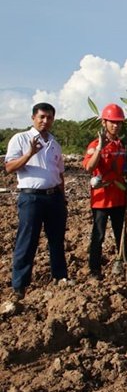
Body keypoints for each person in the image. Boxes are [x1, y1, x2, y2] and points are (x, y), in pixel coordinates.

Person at [5, 103, 68, 298]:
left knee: (57, 240)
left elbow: (60, 173)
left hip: (54, 197)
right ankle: (19, 286)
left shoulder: (54, 143)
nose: (45, 121)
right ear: (33, 117)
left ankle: (60, 277)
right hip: (31, 197)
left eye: (49, 117)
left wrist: (62, 198)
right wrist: (29, 154)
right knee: (27, 240)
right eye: (41, 117)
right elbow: (9, 167)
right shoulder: (21, 139)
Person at [83, 103, 127, 279]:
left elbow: (126, 168)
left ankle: (124, 264)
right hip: (101, 199)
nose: (116, 126)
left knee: (121, 234)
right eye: (112, 122)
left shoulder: (122, 145)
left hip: (119, 197)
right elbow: (89, 167)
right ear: (104, 122)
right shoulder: (95, 145)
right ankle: (94, 270)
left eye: (118, 123)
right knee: (98, 235)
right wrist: (100, 148)